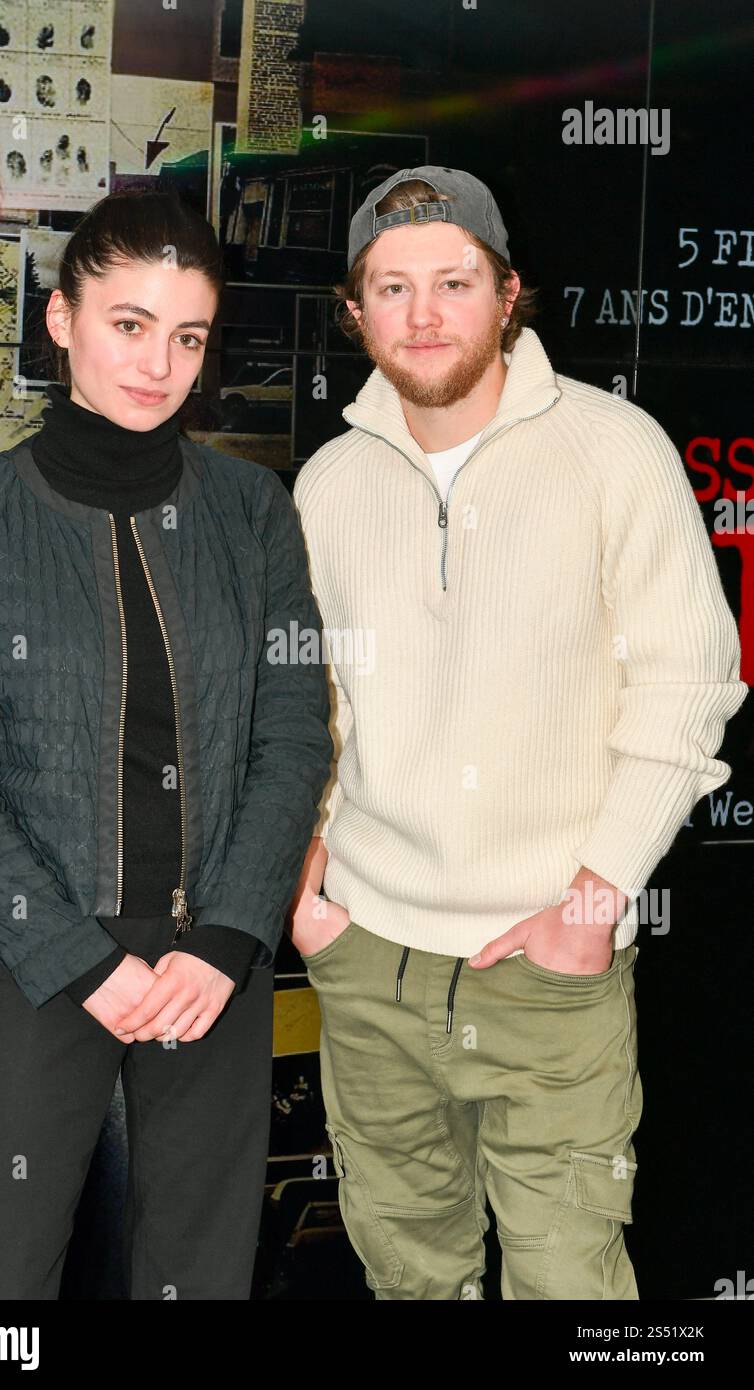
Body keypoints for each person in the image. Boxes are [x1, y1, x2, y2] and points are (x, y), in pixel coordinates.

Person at [288, 166, 748, 1300]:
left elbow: (690, 680)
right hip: (368, 961)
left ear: (507, 294)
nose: (422, 313)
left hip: (546, 967)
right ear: (354, 313)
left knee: (568, 1283)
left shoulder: (612, 448)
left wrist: (592, 904)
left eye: (452, 281)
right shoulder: (326, 483)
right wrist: (310, 888)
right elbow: (316, 707)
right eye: (389, 287)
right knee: (406, 1270)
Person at [0, 188, 333, 1299]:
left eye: (186, 335)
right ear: (61, 318)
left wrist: (229, 936)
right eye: (128, 324)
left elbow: (289, 738)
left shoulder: (251, 513)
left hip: (208, 962)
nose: (159, 364)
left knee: (197, 1271)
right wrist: (78, 961)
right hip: (45, 959)